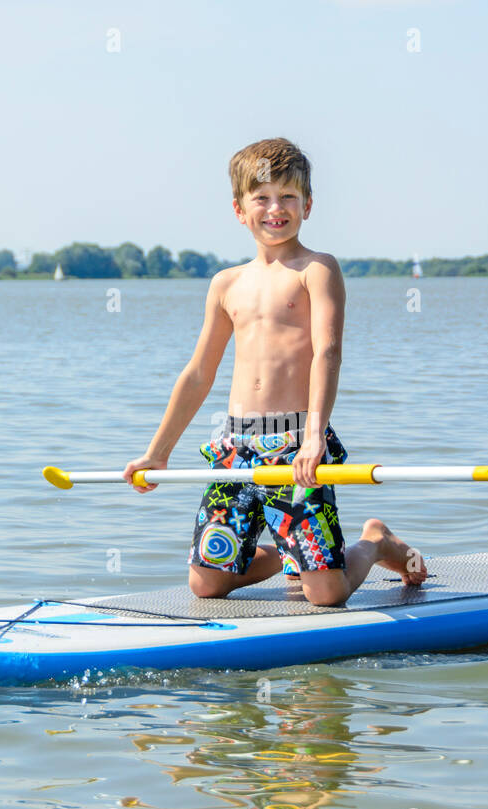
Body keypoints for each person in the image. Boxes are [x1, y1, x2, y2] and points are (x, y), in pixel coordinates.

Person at [122, 137, 426, 606]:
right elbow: (200, 372)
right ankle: (294, 555)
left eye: (287, 197)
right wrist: (157, 453)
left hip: (295, 445)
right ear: (239, 210)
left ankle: (376, 542)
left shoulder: (316, 270)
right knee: (207, 584)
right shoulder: (226, 283)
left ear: (308, 204)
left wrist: (313, 437)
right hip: (235, 447)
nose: (275, 208)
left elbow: (328, 352)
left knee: (326, 595)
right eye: (261, 198)